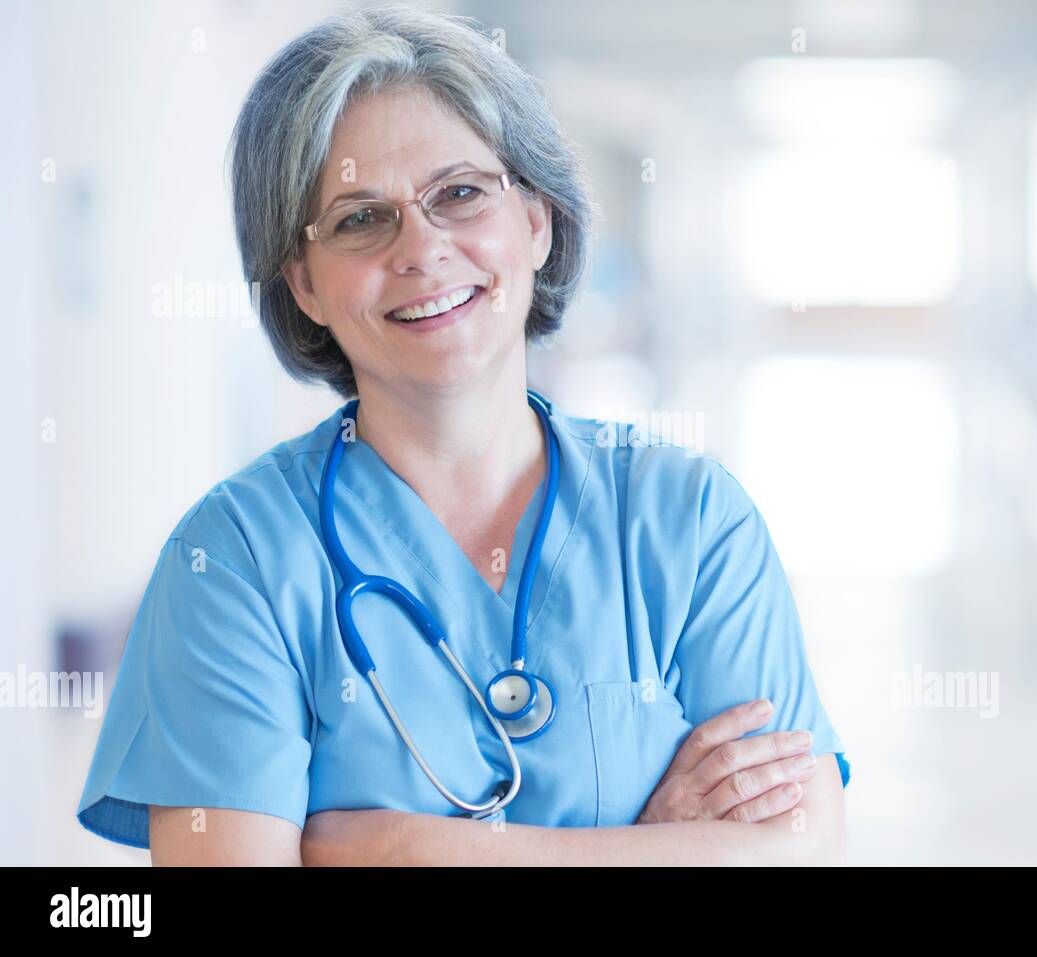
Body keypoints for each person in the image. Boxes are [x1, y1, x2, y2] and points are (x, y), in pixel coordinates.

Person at [75, 4, 849, 866]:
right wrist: (653, 844)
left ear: (536, 221)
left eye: (460, 193)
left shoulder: (691, 521)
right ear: (303, 285)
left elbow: (797, 849)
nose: (423, 248)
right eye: (361, 218)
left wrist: (405, 849)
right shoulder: (235, 559)